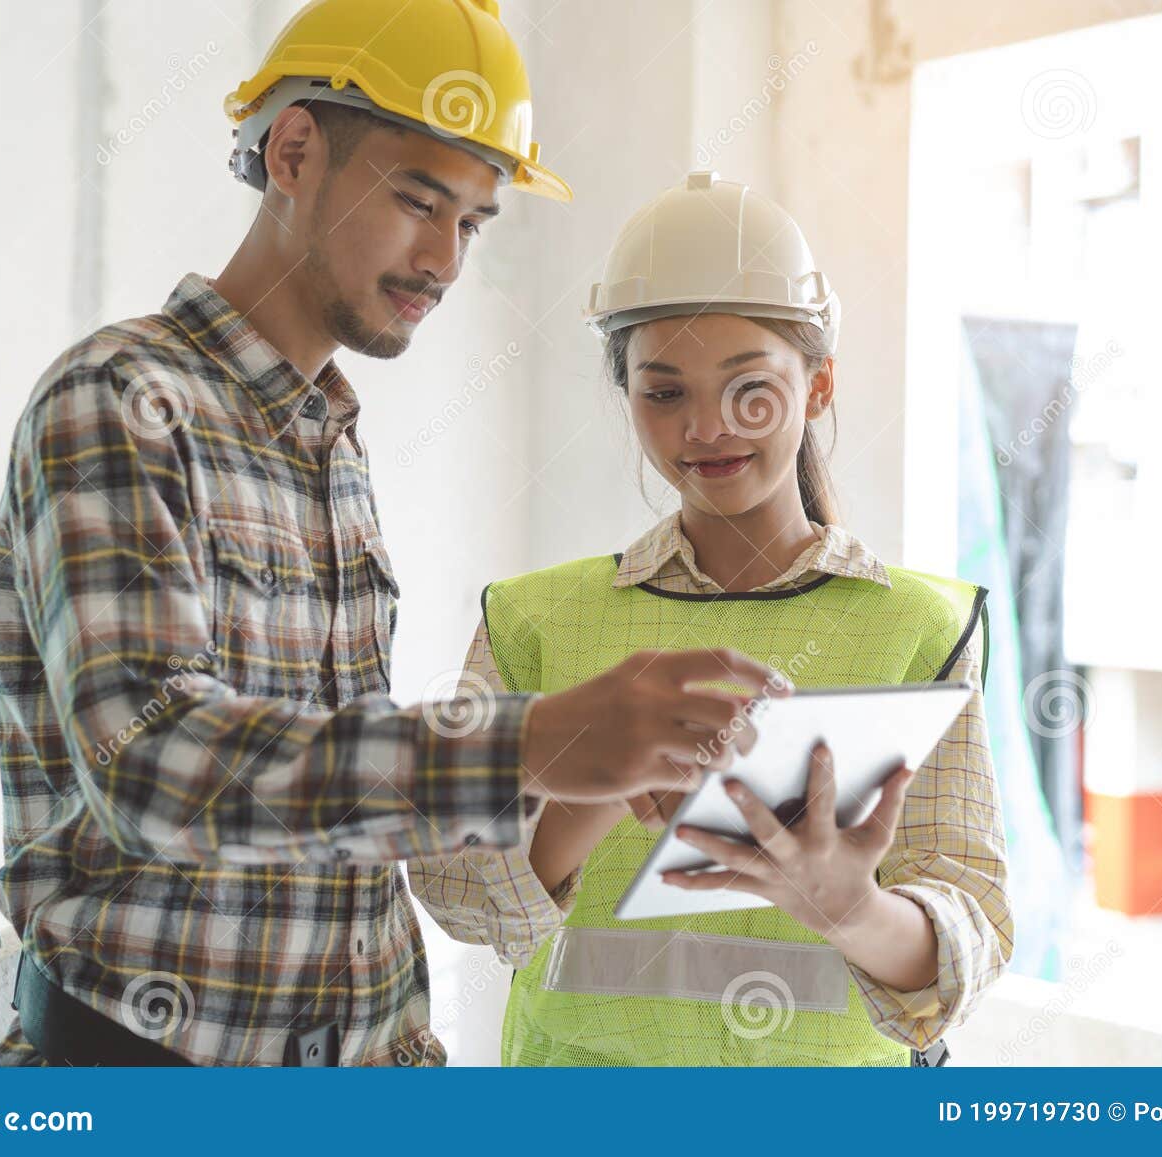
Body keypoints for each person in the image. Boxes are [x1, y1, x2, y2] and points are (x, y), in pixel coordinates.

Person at [0, 2, 778, 1068]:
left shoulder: (331, 443)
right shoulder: (121, 399)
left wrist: (562, 776)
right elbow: (156, 769)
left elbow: (326, 809)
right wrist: (530, 739)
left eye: (474, 222)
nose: (444, 258)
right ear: (294, 150)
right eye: (419, 199)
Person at [409, 172, 1013, 1066]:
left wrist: (854, 908)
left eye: (750, 387)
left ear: (818, 386)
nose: (708, 428)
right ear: (628, 397)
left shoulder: (920, 626)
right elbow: (459, 896)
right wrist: (603, 787)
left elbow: (972, 929)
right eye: (664, 393)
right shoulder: (536, 618)